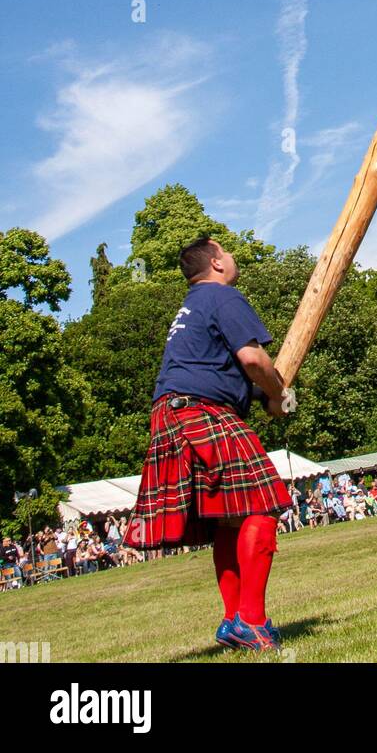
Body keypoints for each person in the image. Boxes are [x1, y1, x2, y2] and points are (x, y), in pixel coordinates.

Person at [125, 236, 291, 651]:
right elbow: (253, 361)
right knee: (262, 505)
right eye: (228, 252)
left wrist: (262, 395)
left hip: (172, 411)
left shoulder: (192, 306)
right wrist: (277, 392)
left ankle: (233, 619)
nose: (233, 258)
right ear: (216, 262)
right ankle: (251, 620)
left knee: (230, 518)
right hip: (201, 411)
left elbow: (216, 370)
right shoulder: (223, 296)